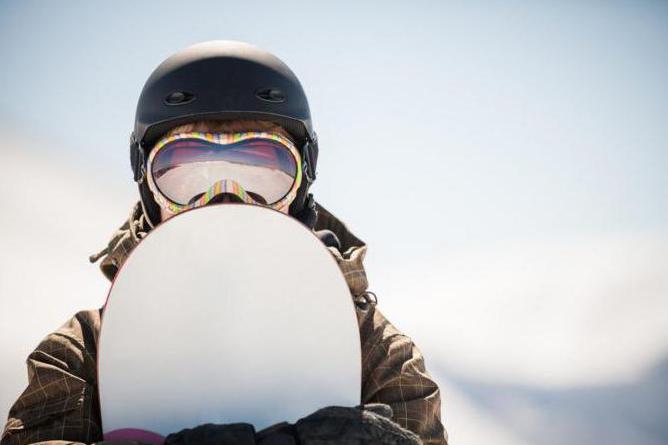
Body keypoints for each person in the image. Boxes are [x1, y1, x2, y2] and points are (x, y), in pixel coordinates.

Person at [1, 41, 448, 445]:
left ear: (301, 184)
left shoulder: (372, 349)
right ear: (147, 187)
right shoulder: (85, 350)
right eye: (187, 171)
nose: (226, 196)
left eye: (262, 170)